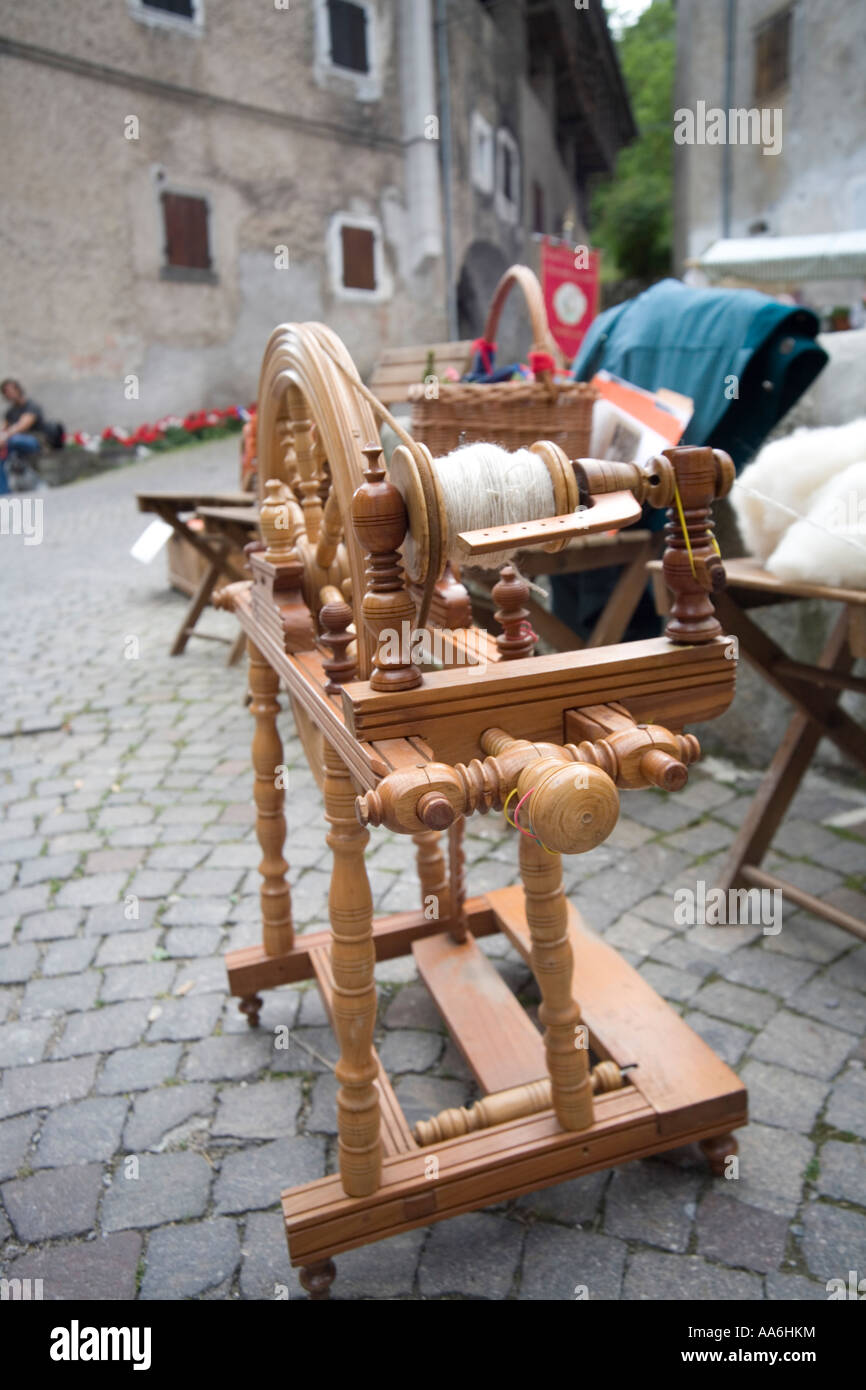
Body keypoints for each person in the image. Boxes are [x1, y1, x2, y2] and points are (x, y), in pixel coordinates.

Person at [0, 379, 46, 492]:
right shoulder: (10, 412)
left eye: (11, 390)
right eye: (6, 392)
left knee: (13, 440)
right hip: (13, 443)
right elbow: (3, 428)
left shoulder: (31, 406)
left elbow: (23, 425)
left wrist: (4, 437)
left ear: (18, 389)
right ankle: (4, 492)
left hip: (35, 441)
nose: (9, 394)